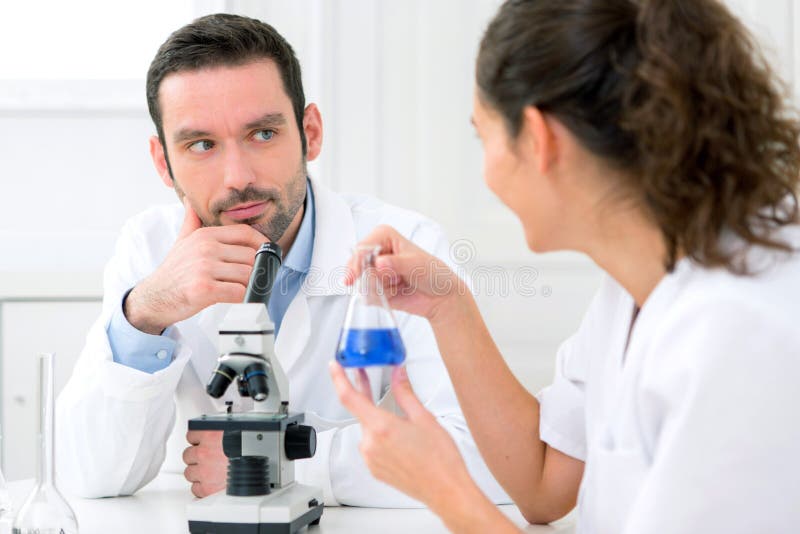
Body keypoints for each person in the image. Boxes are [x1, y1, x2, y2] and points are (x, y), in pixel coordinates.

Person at [330, 0, 800, 532]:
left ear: (539, 138)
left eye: (483, 138)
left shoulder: (743, 331)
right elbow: (542, 485)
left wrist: (446, 490)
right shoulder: (633, 287)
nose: (485, 171)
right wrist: (446, 304)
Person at [55, 13, 508, 507]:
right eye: (201, 145)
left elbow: (497, 460)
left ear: (309, 132)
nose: (238, 176)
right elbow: (87, 474)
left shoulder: (405, 246)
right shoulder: (147, 249)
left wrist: (281, 462)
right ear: (163, 162)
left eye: (263, 134)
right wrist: (147, 312)